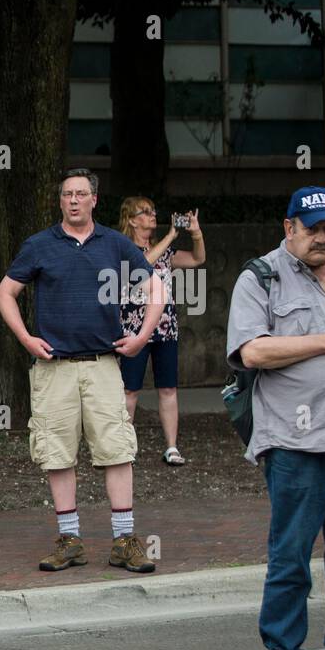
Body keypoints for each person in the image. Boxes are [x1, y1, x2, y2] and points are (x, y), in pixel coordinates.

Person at [0, 169, 166, 576]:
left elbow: (156, 289)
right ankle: (69, 541)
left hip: (104, 365)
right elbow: (5, 293)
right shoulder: (39, 245)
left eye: (81, 194)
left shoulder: (116, 243)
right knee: (57, 453)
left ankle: (124, 541)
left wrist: (141, 337)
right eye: (67, 194)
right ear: (60, 202)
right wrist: (24, 337)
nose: (73, 200)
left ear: (94, 200)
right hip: (54, 368)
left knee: (117, 450)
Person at [226, 186, 325, 650]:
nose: (322, 237)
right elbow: (252, 352)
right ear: (289, 228)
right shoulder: (261, 277)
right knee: (291, 558)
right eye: (312, 228)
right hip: (296, 444)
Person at [117, 197, 206, 466]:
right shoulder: (122, 249)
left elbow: (197, 259)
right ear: (132, 220)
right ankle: (123, 448)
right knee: (129, 390)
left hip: (165, 329)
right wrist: (170, 236)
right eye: (145, 212)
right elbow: (141, 265)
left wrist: (196, 233)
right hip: (133, 330)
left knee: (168, 388)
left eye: (154, 211)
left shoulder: (164, 251)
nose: (153, 215)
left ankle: (171, 446)